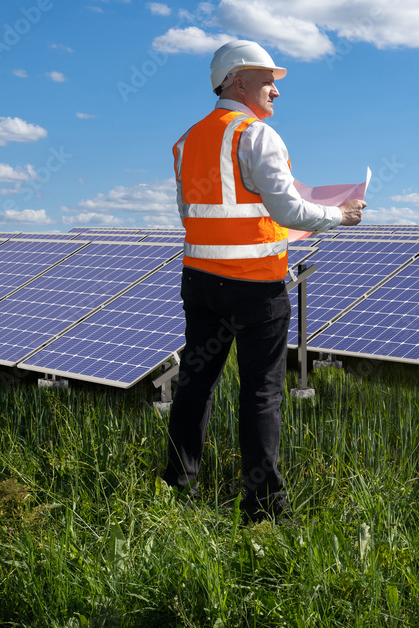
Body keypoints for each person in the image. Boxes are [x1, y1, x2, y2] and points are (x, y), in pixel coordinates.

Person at [162, 39, 365, 523]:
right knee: (259, 395)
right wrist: (340, 214)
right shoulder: (256, 136)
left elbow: (193, 212)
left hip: (201, 281)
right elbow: (287, 209)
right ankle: (265, 510)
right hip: (256, 287)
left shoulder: (187, 140)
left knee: (195, 385)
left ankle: (175, 486)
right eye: (268, 79)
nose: (277, 89)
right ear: (238, 80)